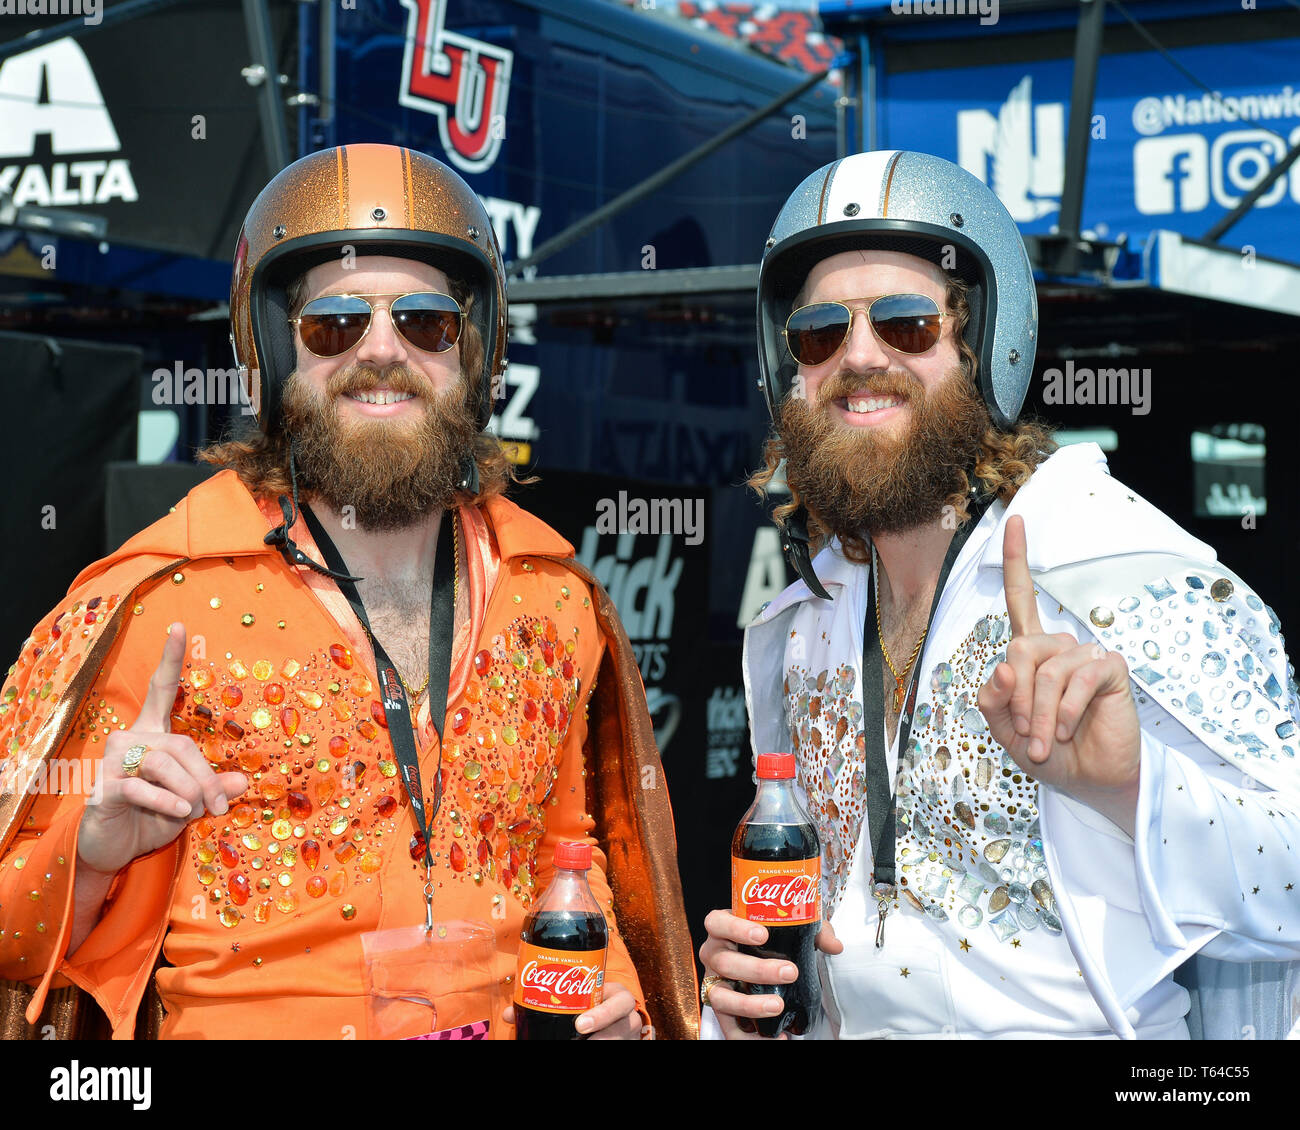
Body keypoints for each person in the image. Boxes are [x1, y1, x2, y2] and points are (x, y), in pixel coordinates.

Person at [0, 143, 697, 1041]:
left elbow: (573, 857)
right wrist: (92, 852)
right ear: (272, 351)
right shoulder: (155, 603)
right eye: (333, 324)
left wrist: (619, 1004)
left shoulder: (554, 599)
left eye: (426, 323)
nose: (382, 351)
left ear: (473, 351)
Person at [699, 149, 1300, 1039]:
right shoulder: (803, 618)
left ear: (985, 344)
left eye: (907, 324)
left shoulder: (1114, 570)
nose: (858, 356)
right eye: (819, 332)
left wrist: (1135, 784)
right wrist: (749, 997)